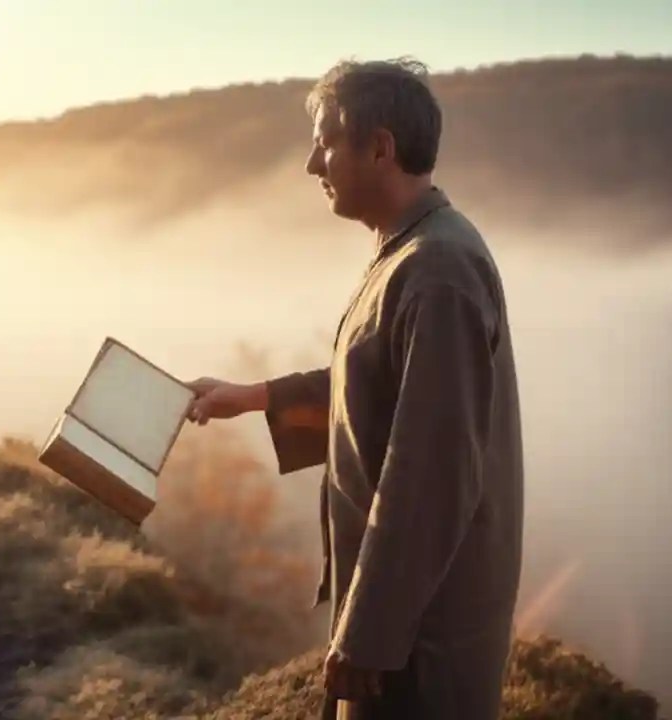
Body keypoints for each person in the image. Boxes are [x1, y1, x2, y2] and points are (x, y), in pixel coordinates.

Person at [186, 57, 524, 720]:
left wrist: (370, 637)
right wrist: (254, 396)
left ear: (380, 148)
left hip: (419, 642)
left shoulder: (437, 271)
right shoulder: (410, 251)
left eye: (325, 141)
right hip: (403, 622)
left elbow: (429, 471)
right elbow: (381, 387)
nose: (313, 164)